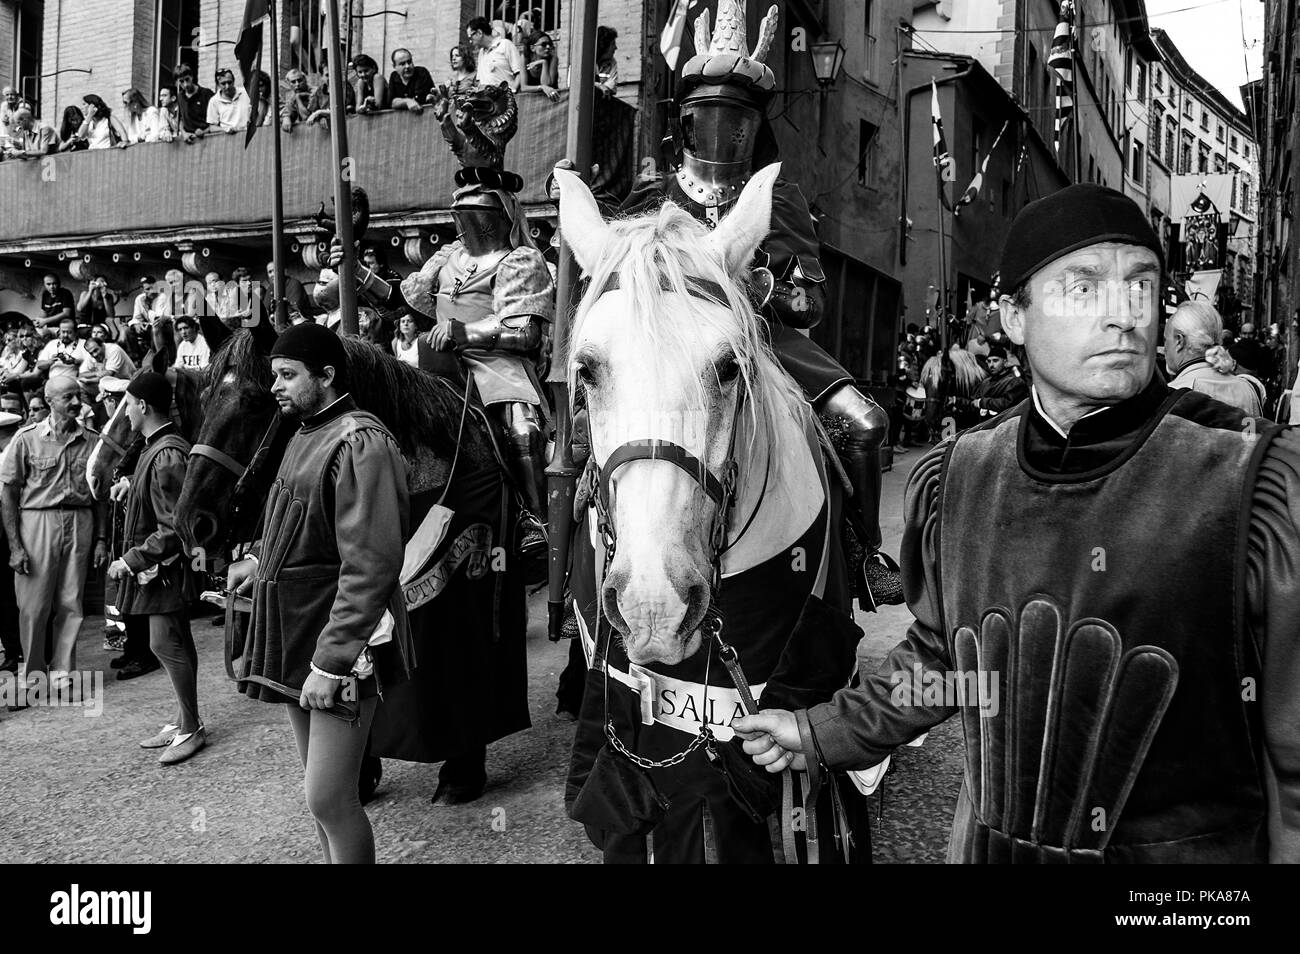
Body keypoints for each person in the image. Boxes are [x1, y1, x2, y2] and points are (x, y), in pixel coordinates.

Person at [734, 182, 1300, 864]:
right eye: (1083, 288)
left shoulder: (1252, 478)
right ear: (1014, 316)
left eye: (1142, 287)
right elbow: (949, 664)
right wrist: (818, 731)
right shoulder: (966, 472)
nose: (1123, 316)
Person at [614, 0, 899, 608]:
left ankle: (862, 550)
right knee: (599, 430)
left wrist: (773, 288)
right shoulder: (655, 193)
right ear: (687, 121)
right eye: (711, 115)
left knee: (865, 423)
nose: (724, 130)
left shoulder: (780, 196)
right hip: (672, 341)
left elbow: (810, 301)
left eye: (737, 118)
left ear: (753, 125)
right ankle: (589, 566)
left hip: (766, 338)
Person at [225, 324, 413, 864]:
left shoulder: (361, 440)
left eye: (288, 376)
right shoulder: (305, 430)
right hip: (301, 634)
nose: (276, 387)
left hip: (341, 646)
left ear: (326, 376)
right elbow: (304, 520)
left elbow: (371, 564)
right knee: (320, 799)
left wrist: (332, 663)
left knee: (329, 797)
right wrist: (260, 560)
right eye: (274, 376)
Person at [107, 373, 205, 763]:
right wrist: (134, 481)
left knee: (164, 643)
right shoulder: (158, 449)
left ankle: (191, 727)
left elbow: (174, 524)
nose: (126, 411)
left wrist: (131, 560)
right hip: (161, 568)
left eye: (128, 403)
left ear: (143, 406)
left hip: (162, 567)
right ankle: (185, 717)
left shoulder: (165, 453)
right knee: (174, 641)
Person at [1, 377, 107, 691]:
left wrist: (101, 539)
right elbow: (8, 493)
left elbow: (100, 495)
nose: (77, 403)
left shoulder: (92, 440)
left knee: (71, 602)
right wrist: (15, 546)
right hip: (36, 521)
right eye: (68, 397)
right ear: (50, 401)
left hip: (80, 521)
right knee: (33, 606)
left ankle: (63, 673)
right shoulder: (26, 439)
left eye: (79, 396)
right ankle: (33, 674)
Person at [1164, 301, 1264, 416]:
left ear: (1179, 341)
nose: (1165, 348)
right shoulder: (1248, 389)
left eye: (1165, 339)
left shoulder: (1173, 396)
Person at [959, 343, 1028, 423]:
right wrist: (956, 401)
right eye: (989, 361)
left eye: (995, 361)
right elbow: (973, 403)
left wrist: (982, 402)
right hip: (984, 429)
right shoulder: (985, 383)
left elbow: (1006, 404)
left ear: (1005, 362)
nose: (991, 365)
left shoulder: (1015, 382)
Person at [468, 15, 521, 90]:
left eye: (471, 37)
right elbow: (480, 81)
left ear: (479, 33)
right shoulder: (481, 53)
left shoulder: (505, 45)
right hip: (487, 100)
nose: (470, 42)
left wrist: (513, 90)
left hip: (505, 99)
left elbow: (519, 72)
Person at [36, 318, 91, 382]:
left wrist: (75, 361)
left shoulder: (84, 344)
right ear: (59, 332)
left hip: (73, 381)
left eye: (69, 332)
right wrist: (49, 362)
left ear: (76, 332)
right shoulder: (52, 343)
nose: (65, 335)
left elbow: (91, 364)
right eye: (63, 332)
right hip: (52, 381)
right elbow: (39, 365)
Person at [202, 68, 251, 135]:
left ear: (234, 81)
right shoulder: (214, 101)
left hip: (248, 134)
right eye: (223, 83)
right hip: (228, 138)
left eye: (229, 82)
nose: (227, 86)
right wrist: (226, 129)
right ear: (218, 85)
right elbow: (212, 127)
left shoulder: (246, 92)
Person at [175, 66, 214, 140]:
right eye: (181, 81)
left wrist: (204, 131)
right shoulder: (180, 97)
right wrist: (184, 133)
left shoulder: (206, 94)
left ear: (192, 77)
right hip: (189, 140)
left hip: (207, 139)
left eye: (187, 79)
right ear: (177, 82)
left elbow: (216, 121)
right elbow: (181, 119)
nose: (185, 84)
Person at [523, 31, 559, 100]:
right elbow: (524, 87)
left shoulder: (553, 59)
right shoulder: (525, 58)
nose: (548, 47)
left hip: (549, 99)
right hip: (530, 98)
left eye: (549, 44)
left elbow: (547, 84)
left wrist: (544, 63)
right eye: (544, 44)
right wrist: (541, 87)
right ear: (532, 48)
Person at [595, 25, 618, 97]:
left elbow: (613, 86)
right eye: (613, 44)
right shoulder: (586, 61)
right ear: (604, 45)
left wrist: (597, 87)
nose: (616, 48)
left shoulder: (612, 63)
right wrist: (601, 87)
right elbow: (578, 84)